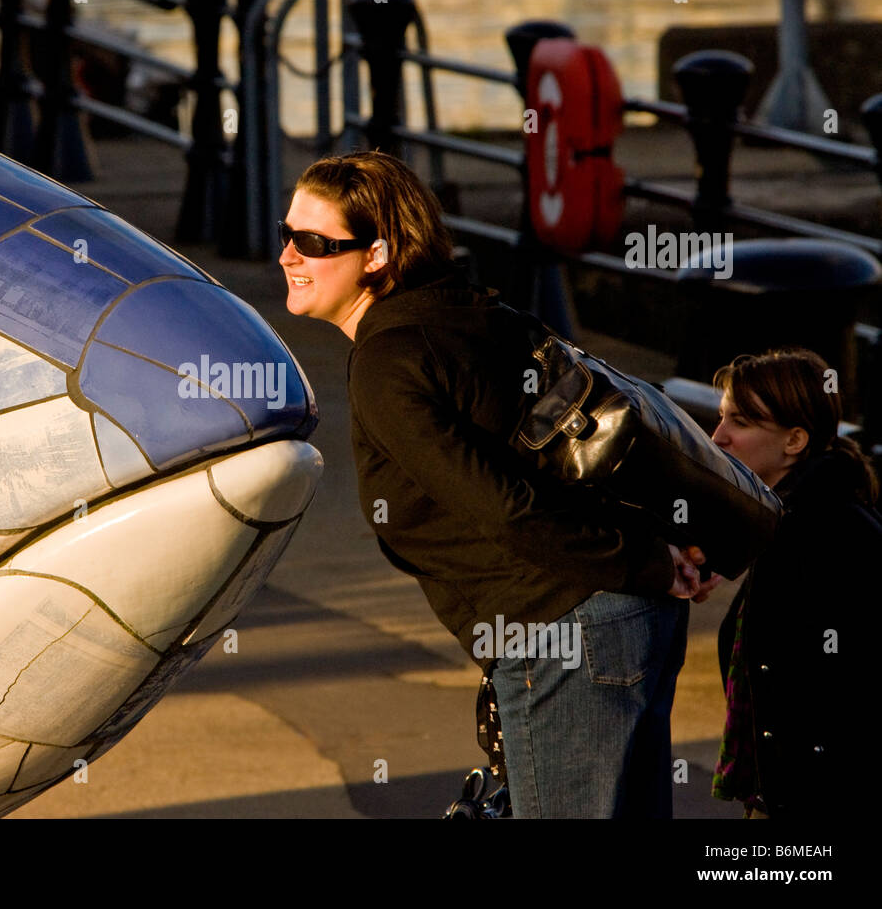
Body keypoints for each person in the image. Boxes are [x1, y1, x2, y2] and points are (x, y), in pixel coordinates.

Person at [280, 149, 717, 818]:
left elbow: (507, 508)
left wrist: (649, 562)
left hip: (565, 628)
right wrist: (660, 555)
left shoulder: (388, 362)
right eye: (287, 235)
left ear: (376, 254)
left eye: (313, 242)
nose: (288, 255)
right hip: (624, 614)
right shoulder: (472, 311)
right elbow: (581, 448)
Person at [708, 349, 880, 818]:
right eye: (721, 418)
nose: (717, 437)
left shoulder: (828, 533)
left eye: (739, 422)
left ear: (794, 440)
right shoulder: (786, 521)